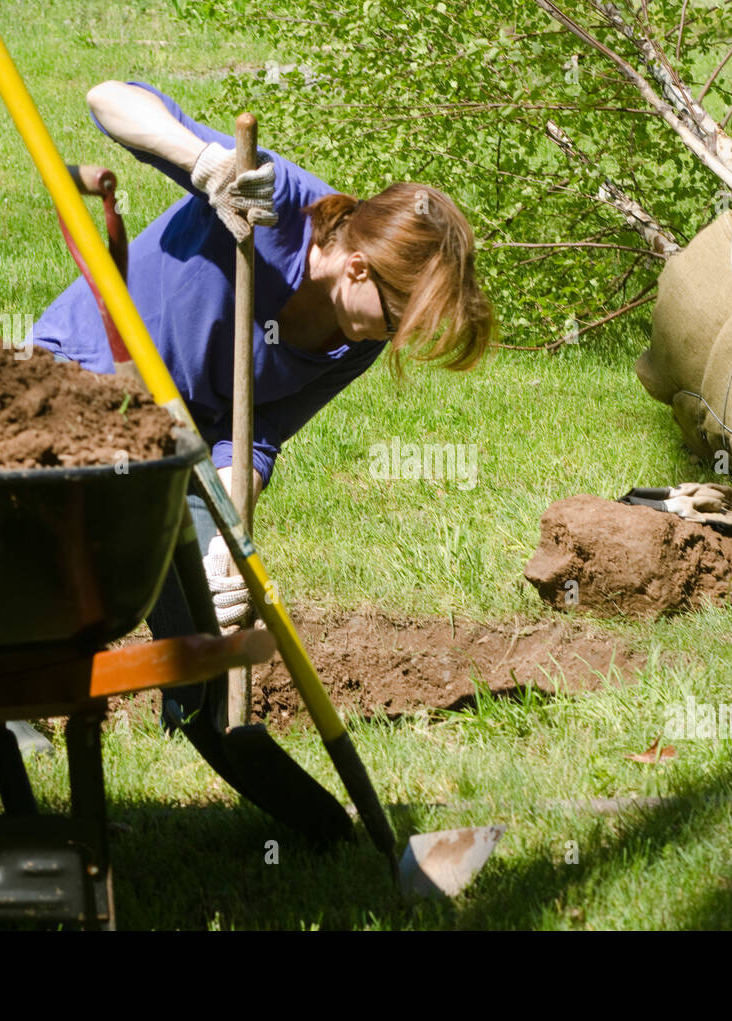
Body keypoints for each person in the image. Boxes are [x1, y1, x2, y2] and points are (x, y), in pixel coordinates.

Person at [29, 81, 496, 728]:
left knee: (213, 610)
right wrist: (206, 165)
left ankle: (190, 737)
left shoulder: (352, 340)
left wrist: (227, 542)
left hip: (174, 437)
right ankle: (9, 715)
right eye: (397, 319)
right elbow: (109, 98)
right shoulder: (274, 196)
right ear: (358, 268)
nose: (393, 338)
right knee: (49, 557)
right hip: (81, 376)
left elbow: (258, 433)